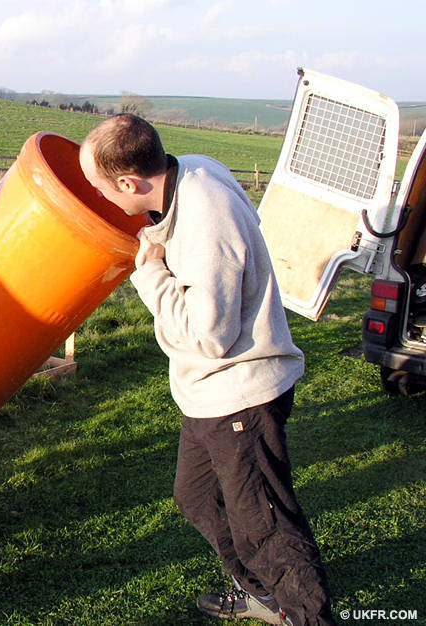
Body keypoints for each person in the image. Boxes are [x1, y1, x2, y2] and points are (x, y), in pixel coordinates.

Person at [79, 114, 335, 626]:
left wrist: (151, 272)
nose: (103, 198)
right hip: (209, 396)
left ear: (129, 183)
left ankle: (306, 614)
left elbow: (209, 337)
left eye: (102, 188)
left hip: (239, 391)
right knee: (197, 496)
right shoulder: (192, 170)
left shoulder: (204, 225)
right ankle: (265, 596)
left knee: (264, 525)